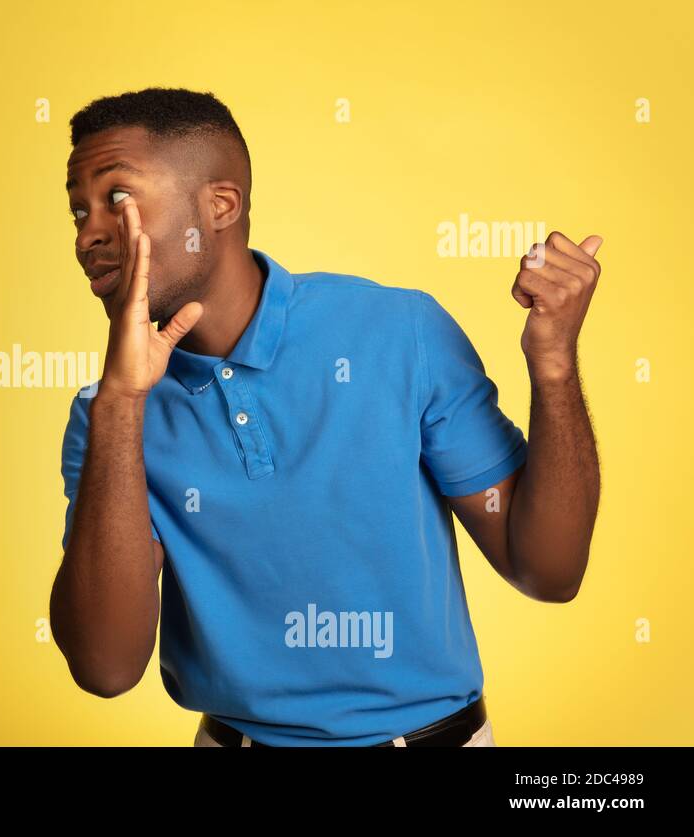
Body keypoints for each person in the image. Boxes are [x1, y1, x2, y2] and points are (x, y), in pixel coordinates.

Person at [47, 87, 602, 747]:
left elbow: (549, 569)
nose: (88, 234)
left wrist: (556, 367)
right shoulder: (108, 414)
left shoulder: (399, 332)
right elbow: (106, 666)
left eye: (116, 198)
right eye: (78, 209)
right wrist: (121, 402)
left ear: (218, 206)